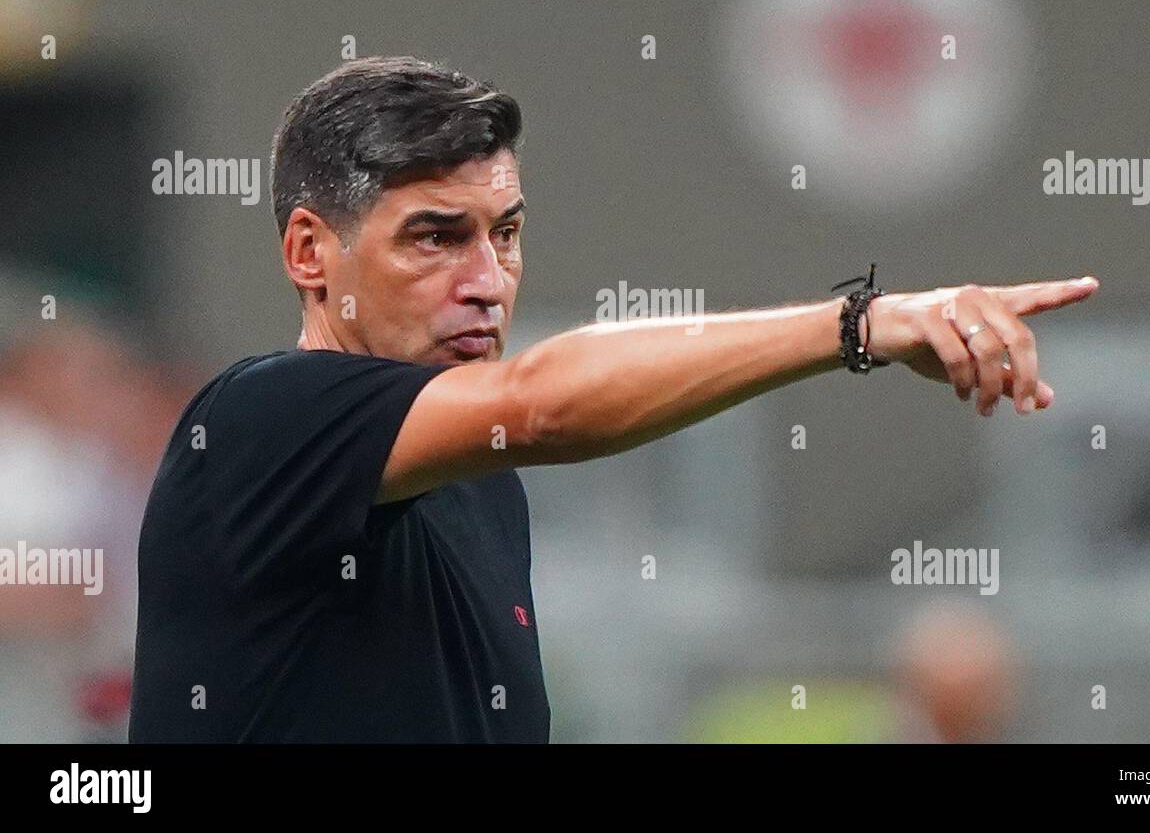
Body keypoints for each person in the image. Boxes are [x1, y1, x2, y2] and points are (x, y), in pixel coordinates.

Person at [128, 56, 1099, 743]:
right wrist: (861, 324)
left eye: (503, 233)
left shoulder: (479, 482)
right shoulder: (263, 417)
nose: (487, 278)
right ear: (309, 253)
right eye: (434, 236)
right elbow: (548, 400)